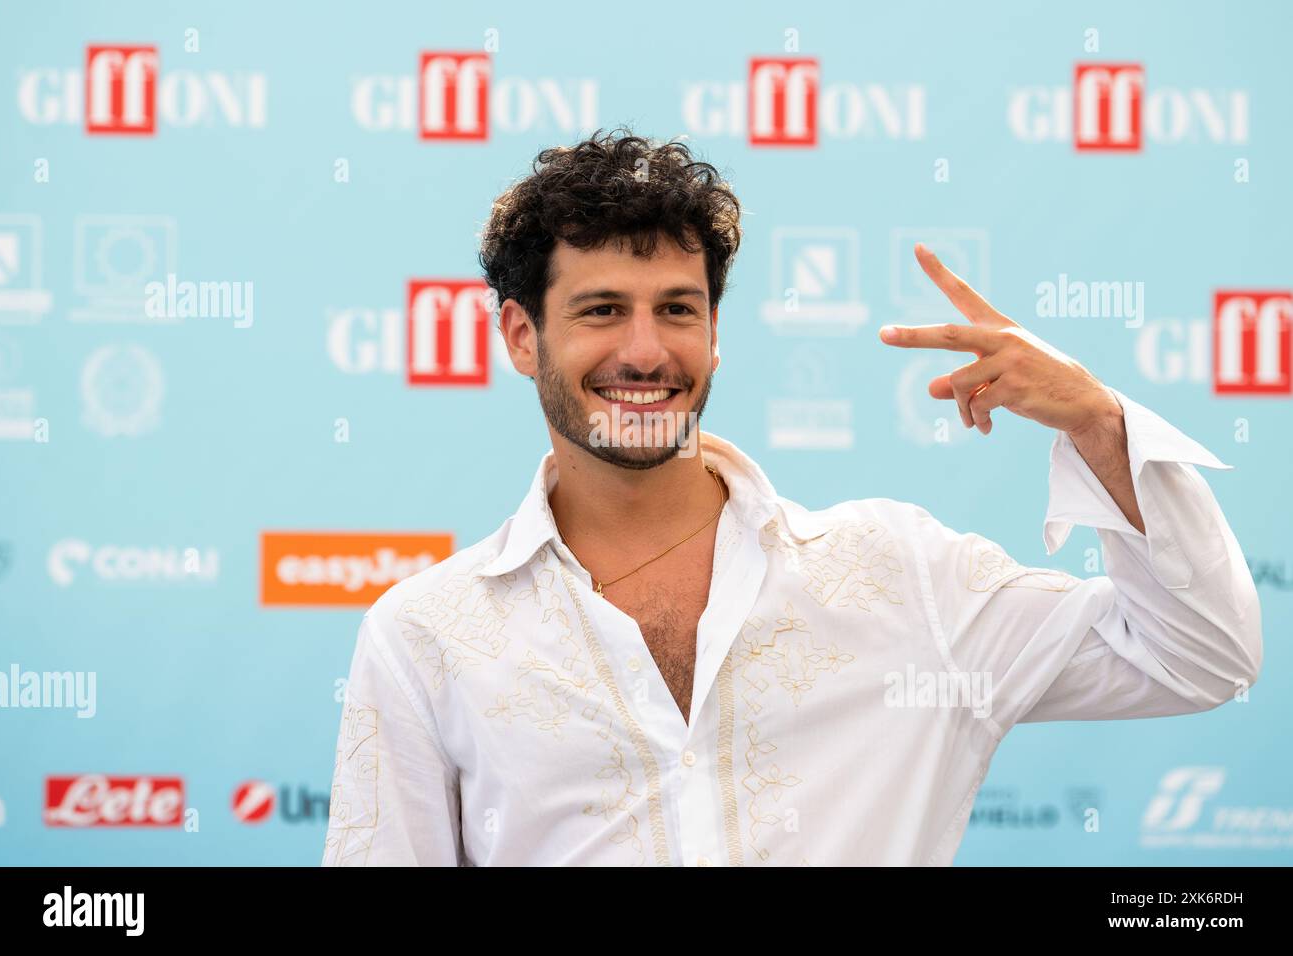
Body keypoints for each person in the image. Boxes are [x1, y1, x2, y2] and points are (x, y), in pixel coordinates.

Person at [322, 128, 1261, 866]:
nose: (645, 351)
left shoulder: (902, 579)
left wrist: (1100, 425)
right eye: (603, 309)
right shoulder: (427, 638)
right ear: (522, 337)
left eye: (678, 309)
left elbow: (1203, 657)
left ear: (717, 332)